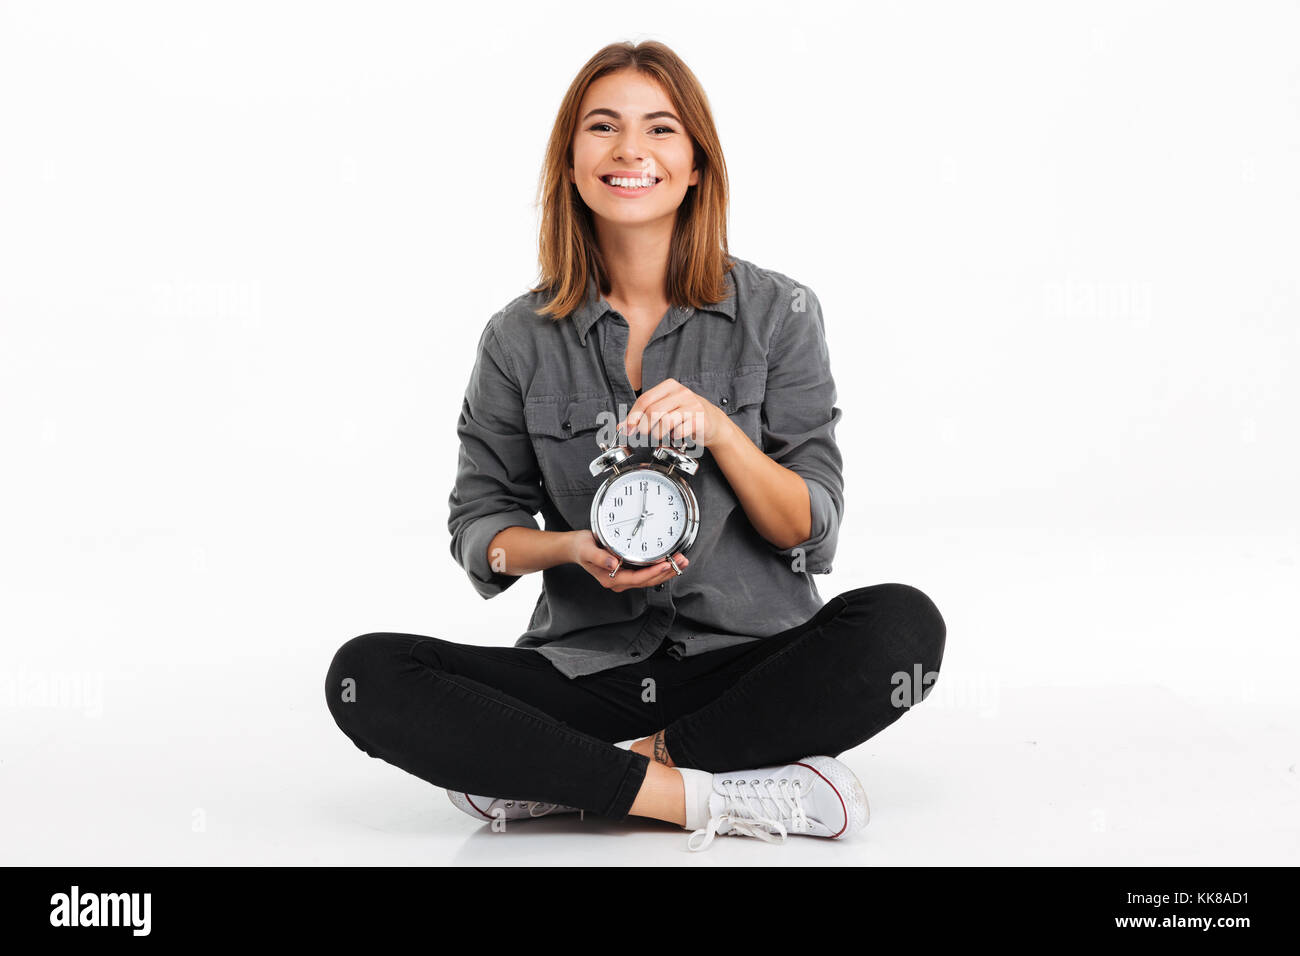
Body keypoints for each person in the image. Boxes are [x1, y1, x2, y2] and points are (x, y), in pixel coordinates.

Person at [325, 40, 946, 852]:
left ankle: (579, 780)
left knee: (905, 630)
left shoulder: (780, 313)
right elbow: (482, 532)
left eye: (660, 129)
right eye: (603, 127)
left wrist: (722, 430)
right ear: (572, 163)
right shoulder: (519, 338)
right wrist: (570, 548)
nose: (630, 151)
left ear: (695, 165)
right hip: (588, 670)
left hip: (752, 669)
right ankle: (709, 795)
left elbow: (810, 529)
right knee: (367, 674)